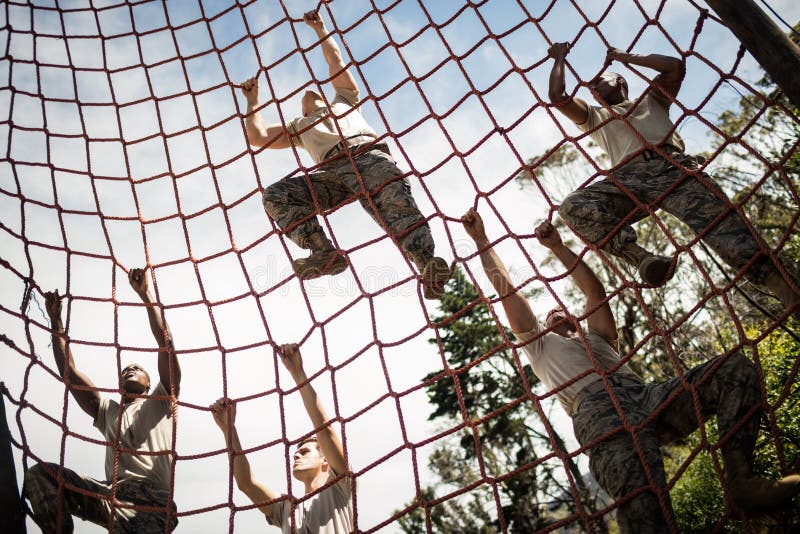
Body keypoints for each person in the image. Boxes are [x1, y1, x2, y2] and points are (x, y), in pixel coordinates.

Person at [461, 207, 800, 532]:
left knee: (734, 369)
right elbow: (507, 293)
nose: (555, 311)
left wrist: (559, 247)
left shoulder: (599, 339)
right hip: (599, 414)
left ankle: (742, 483)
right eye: (548, 314)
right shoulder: (538, 346)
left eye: (560, 308)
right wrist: (481, 241)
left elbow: (594, 292)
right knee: (643, 502)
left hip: (646, 396)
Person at [546, 42, 799, 317]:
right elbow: (558, 97)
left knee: (725, 230)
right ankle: (639, 257)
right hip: (627, 178)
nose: (593, 87)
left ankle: (786, 289)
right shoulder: (595, 116)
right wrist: (559, 59)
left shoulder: (651, 100)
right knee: (572, 206)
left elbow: (674, 67)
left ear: (619, 80)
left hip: (672, 167)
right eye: (590, 87)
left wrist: (624, 57)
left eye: (599, 81)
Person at [240, 10, 452, 299]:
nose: (310, 94)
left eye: (316, 93)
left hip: (367, 155)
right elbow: (258, 137)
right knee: (276, 195)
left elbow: (335, 62)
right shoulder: (298, 129)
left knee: (393, 206)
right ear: (302, 112)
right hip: (334, 172)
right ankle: (323, 251)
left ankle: (427, 265)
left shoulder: (345, 100)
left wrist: (320, 29)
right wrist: (252, 102)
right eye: (306, 100)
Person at [24, 268, 181, 533]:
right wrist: (56, 322)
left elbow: (166, 344)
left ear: (148, 380)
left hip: (152, 503)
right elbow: (70, 374)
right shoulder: (108, 410)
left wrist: (146, 296)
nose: (129, 370)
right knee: (41, 476)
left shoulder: (161, 400)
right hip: (112, 496)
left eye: (136, 368)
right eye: (124, 370)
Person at [210, 343, 352, 532]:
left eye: (304, 452)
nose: (296, 455)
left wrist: (298, 373)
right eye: (296, 453)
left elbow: (325, 430)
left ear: (325, 459)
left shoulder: (340, 484)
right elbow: (246, 484)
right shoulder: (287, 509)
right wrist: (229, 430)